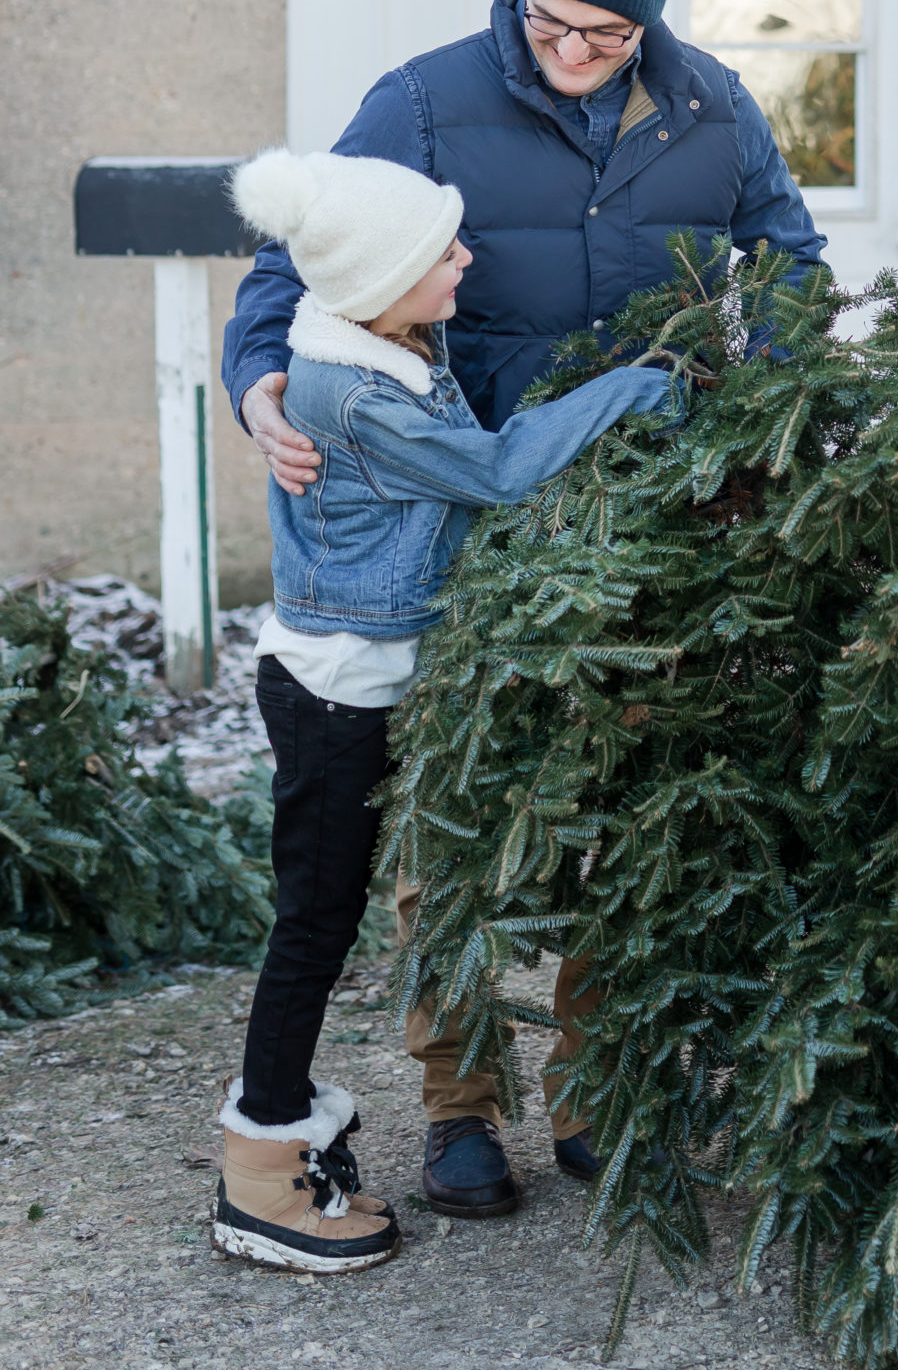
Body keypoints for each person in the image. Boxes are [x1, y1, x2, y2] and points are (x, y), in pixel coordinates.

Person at [222, 0, 826, 1220]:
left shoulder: (712, 110)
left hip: (642, 532)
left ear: (651, 18)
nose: (567, 48)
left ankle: (603, 1090)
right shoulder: (425, 102)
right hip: (469, 531)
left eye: (600, 32)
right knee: (455, 834)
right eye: (546, 19)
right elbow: (294, 254)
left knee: (626, 811)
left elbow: (787, 255)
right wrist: (260, 381)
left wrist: (763, 402)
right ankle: (460, 1107)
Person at [214, 146, 675, 1275]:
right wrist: (644, 380)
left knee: (321, 924)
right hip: (335, 693)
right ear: (382, 281)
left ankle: (279, 1142)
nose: (465, 256)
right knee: (314, 928)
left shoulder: (388, 346)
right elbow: (502, 470)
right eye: (442, 250)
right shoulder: (358, 391)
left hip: (370, 679)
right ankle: (258, 1176)